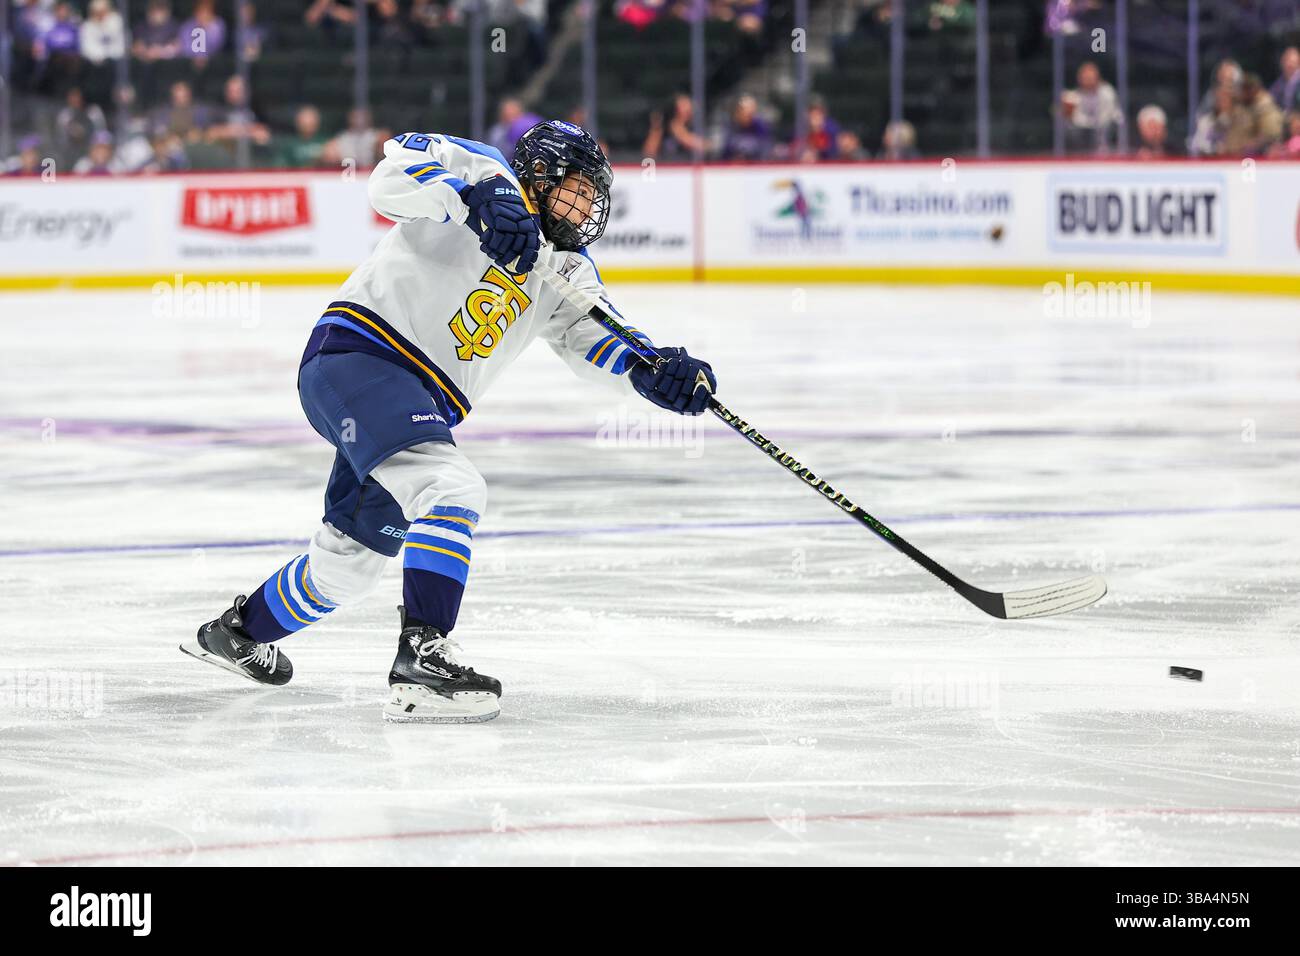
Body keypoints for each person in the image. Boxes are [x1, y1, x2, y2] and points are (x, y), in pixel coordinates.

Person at [181, 121, 717, 724]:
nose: (587, 206)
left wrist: (656, 373)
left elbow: (595, 337)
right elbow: (388, 179)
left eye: (594, 196)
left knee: (347, 567)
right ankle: (422, 662)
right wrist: (474, 200)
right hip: (360, 358)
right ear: (540, 174)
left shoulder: (567, 268)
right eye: (577, 189)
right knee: (452, 488)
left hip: (403, 402)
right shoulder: (482, 166)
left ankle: (237, 633)